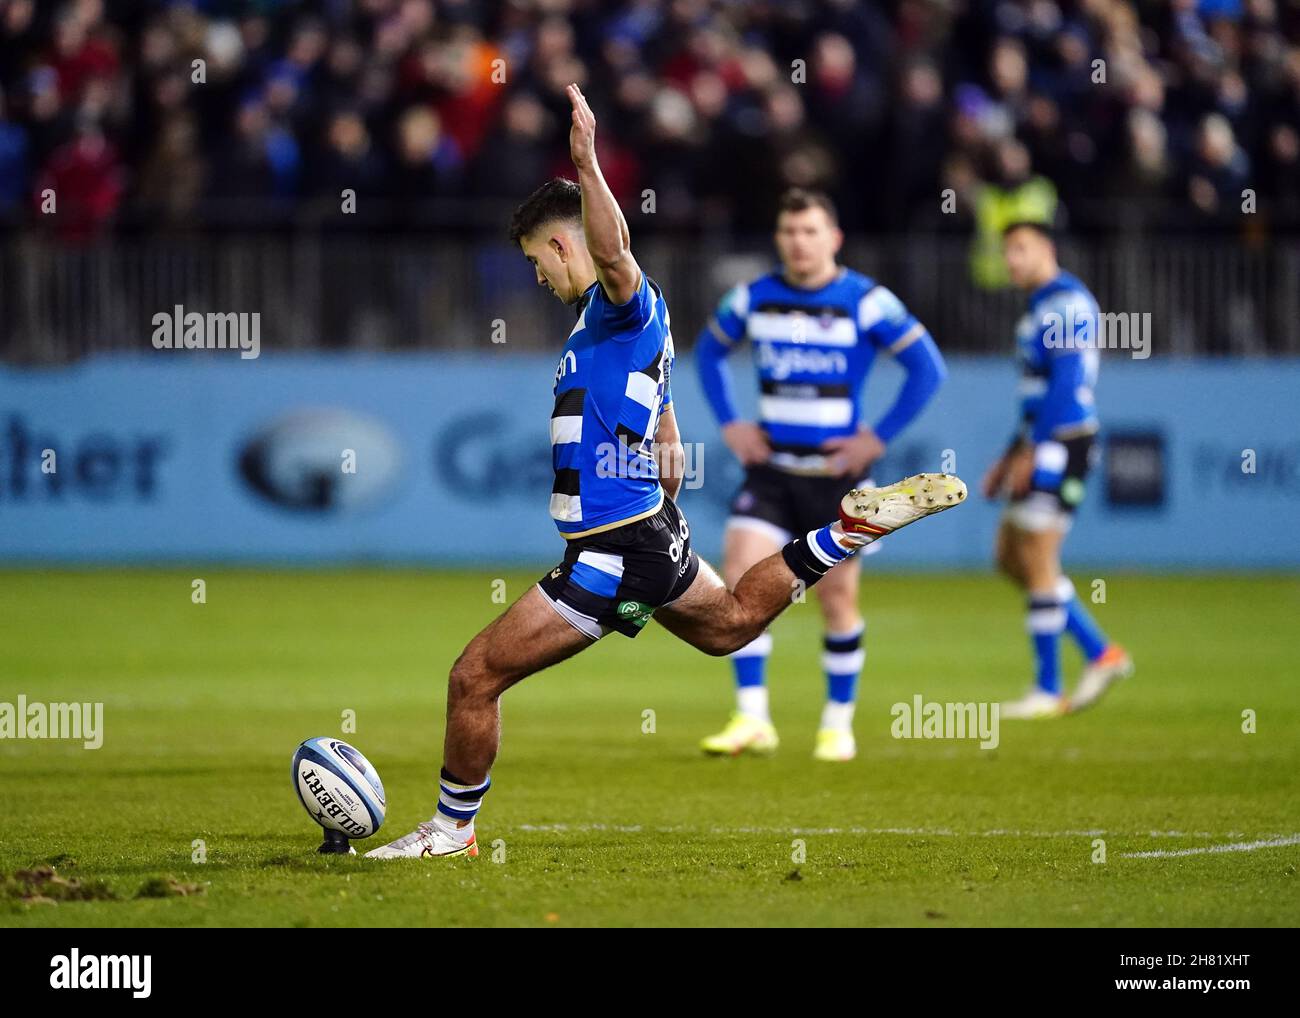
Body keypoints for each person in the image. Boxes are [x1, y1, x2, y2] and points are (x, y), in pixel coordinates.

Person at [367, 85, 966, 860]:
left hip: (614, 544)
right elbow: (656, 396)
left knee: (473, 676)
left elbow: (613, 252)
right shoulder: (615, 326)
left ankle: (451, 831)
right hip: (647, 527)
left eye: (535, 261)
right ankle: (845, 531)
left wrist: (586, 162)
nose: (537, 279)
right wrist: (669, 436)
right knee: (730, 628)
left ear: (561, 244)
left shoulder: (618, 300)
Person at [694, 188, 946, 762]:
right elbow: (707, 354)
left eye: (810, 231)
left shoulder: (868, 301)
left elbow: (927, 368)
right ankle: (752, 718)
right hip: (771, 473)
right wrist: (732, 424)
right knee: (739, 586)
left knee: (836, 601)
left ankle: (837, 724)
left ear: (833, 238)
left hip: (835, 483)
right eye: (788, 232)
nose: (798, 242)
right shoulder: (752, 298)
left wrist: (875, 438)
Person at [982, 221, 1132, 718]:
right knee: (1010, 556)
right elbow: (1037, 396)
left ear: (1048, 249)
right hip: (1043, 439)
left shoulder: (1066, 302)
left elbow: (1067, 385)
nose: (1012, 261)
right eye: (1007, 252)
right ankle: (1100, 652)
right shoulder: (1038, 307)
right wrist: (1008, 456)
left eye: (1021, 249)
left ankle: (1048, 688)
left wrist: (1031, 452)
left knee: (1037, 557)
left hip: (1064, 442)